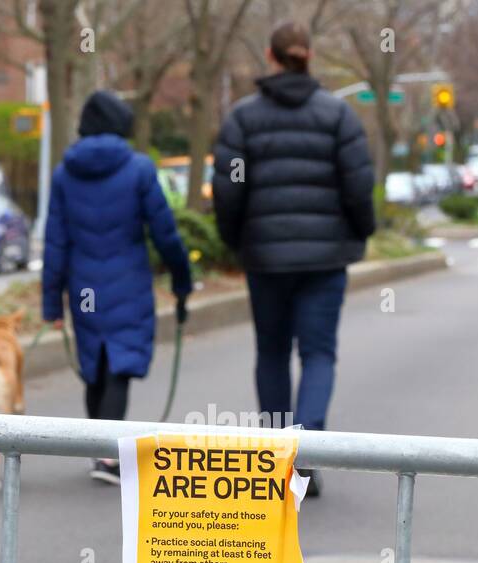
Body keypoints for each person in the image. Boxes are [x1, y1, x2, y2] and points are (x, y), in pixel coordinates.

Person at [212, 20, 376, 498]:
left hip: (264, 256)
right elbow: (358, 184)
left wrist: (235, 239)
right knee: (319, 352)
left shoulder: (243, 118)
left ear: (270, 55)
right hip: (325, 258)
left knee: (271, 351)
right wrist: (360, 230)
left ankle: (276, 459)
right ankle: (305, 452)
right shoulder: (338, 116)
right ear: (309, 56)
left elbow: (229, 188)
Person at [42, 91, 193, 486]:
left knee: (95, 366)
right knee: (119, 367)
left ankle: (101, 448)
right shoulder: (139, 170)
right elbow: (165, 232)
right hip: (128, 281)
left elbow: (54, 241)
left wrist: (51, 305)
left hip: (83, 286)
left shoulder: (64, 173)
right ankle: (109, 457)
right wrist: (181, 280)